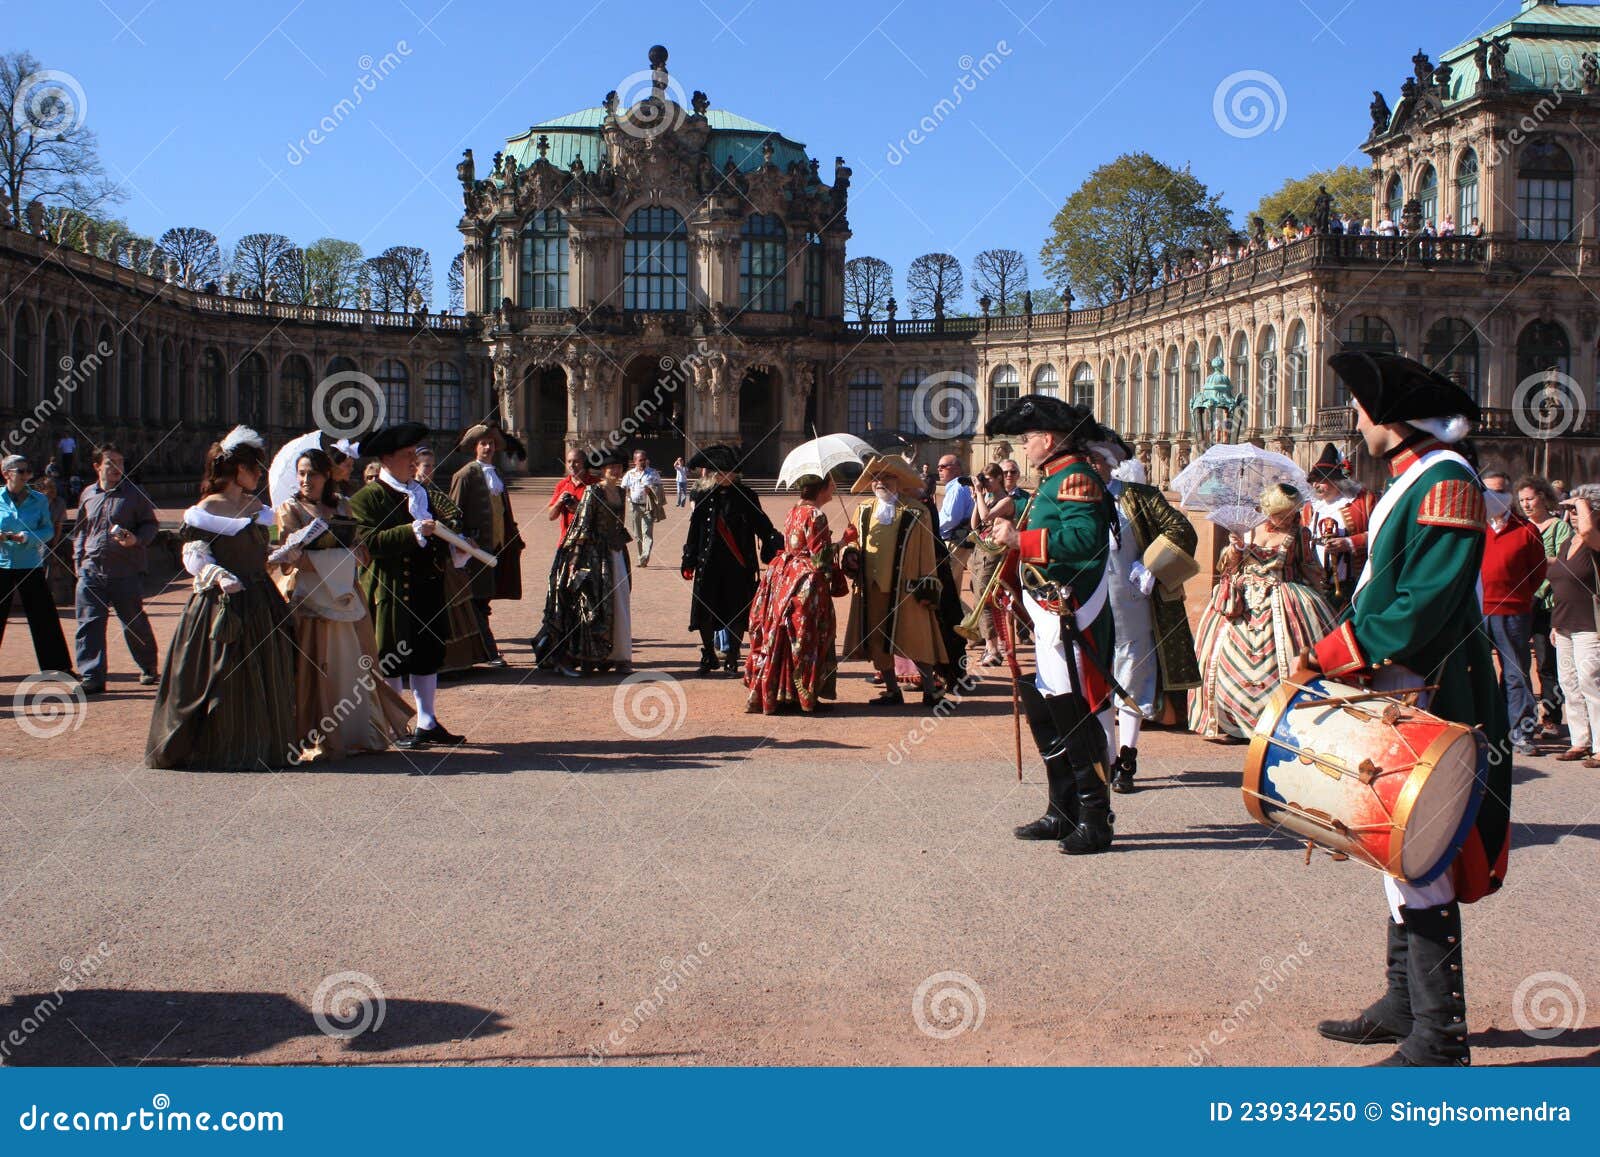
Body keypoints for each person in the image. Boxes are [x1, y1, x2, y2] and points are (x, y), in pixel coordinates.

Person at [1306, 351, 1511, 1068]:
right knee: (1391, 846)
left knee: (1420, 853)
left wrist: (1333, 653)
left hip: (1431, 688)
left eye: (1362, 407)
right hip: (1399, 682)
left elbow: (1424, 602)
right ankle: (1404, 1003)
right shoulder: (1411, 475)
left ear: (1392, 416)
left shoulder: (1446, 478)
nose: (1355, 418)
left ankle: (1441, 1036)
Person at [983, 396, 1116, 855]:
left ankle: (1095, 818)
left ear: (1049, 438)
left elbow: (1085, 539)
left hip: (1071, 612)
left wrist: (1021, 540)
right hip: (1048, 609)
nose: (1024, 446)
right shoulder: (1054, 479)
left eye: (1027, 438)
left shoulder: (1075, 477)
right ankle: (1063, 810)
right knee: (1050, 708)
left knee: (1074, 712)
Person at [146, 428, 297, 770]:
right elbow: (194, 555)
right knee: (220, 673)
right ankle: (217, 746)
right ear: (238, 469)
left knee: (266, 672)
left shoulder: (256, 507)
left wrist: (282, 552)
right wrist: (218, 575)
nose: (259, 475)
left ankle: (261, 745)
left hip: (260, 597)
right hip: (221, 603)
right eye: (255, 468)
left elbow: (261, 552)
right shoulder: (207, 508)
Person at [272, 447, 411, 761]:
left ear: (326, 476)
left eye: (313, 474)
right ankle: (320, 737)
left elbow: (362, 551)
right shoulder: (289, 509)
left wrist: (349, 553)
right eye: (301, 473)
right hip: (309, 598)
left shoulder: (343, 506)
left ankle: (359, 732)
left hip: (347, 596)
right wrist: (336, 556)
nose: (306, 480)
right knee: (316, 666)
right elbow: (288, 558)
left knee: (352, 663)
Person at [1085, 429, 1200, 793]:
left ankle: (1126, 756)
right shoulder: (1074, 501)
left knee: (1133, 675)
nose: (1089, 466)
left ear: (1110, 463)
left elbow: (1181, 530)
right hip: (1089, 604)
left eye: (1095, 460)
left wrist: (1152, 565)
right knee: (1097, 677)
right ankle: (1106, 755)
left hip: (1131, 603)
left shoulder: (1138, 497)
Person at [349, 422, 471, 748]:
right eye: (407, 455)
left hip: (428, 587)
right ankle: (395, 725)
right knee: (392, 657)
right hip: (391, 589)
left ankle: (427, 721)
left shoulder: (423, 493)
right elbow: (368, 542)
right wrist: (412, 531)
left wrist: (456, 546)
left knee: (427, 654)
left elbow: (441, 531)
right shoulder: (366, 499)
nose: (414, 461)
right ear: (386, 458)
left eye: (414, 454)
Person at [1190, 484, 1336, 742]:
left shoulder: (1299, 534)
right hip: (1242, 604)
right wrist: (1235, 548)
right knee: (1223, 657)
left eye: (1291, 513)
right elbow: (1228, 567)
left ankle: (1277, 721)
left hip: (1283, 599)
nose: (1287, 519)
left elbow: (1309, 567)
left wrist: (1322, 596)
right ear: (1269, 511)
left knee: (1285, 657)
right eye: (1281, 514)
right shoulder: (1247, 529)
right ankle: (1233, 722)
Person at [840, 454, 949, 707]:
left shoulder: (917, 511)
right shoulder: (863, 509)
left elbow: (926, 553)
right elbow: (853, 542)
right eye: (876, 478)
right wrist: (850, 554)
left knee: (917, 639)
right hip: (872, 588)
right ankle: (891, 690)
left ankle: (930, 690)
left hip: (907, 587)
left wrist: (927, 584)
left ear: (899, 481)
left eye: (887, 477)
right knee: (877, 641)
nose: (880, 482)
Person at [744, 473, 850, 714]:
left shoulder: (794, 511)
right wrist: (844, 542)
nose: (833, 488)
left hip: (786, 578)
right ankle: (805, 696)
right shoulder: (816, 515)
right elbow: (820, 558)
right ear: (822, 488)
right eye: (831, 484)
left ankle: (785, 693)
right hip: (807, 583)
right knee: (809, 636)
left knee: (786, 634)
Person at [682, 444, 781, 675]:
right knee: (705, 612)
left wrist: (775, 545)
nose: (725, 476)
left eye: (729, 471)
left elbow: (763, 526)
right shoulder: (704, 496)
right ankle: (709, 654)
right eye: (720, 472)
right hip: (708, 563)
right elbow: (695, 531)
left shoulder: (748, 496)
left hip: (739, 564)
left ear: (736, 473)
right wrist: (689, 560)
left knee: (737, 611)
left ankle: (733, 656)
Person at [535, 448, 633, 676]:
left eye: (618, 467)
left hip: (616, 553)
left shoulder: (621, 492)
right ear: (603, 470)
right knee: (592, 604)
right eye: (610, 467)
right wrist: (575, 559)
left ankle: (619, 655)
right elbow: (583, 525)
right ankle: (587, 655)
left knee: (620, 603)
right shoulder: (593, 491)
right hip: (594, 554)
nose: (615, 471)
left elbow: (619, 524)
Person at [72, 444, 159, 693]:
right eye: (110, 462)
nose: (117, 467)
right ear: (97, 466)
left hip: (125, 571)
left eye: (120, 462)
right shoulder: (87, 494)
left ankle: (148, 665)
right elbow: (81, 530)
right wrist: (78, 560)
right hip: (91, 570)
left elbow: (150, 525)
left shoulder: (134, 494)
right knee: (89, 623)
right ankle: (92, 676)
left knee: (133, 622)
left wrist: (137, 540)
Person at [1480, 470, 1547, 756]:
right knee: (1477, 672)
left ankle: (1520, 733)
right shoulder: (1474, 528)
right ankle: (1484, 730)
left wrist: (1519, 598)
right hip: (1477, 612)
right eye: (1488, 491)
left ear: (1509, 496)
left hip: (1512, 612)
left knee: (1515, 674)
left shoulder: (1526, 529)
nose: (1493, 497)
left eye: (1499, 492)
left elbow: (1537, 572)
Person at [449, 423, 523, 669]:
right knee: (477, 601)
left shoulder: (496, 473)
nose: (488, 447)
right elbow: (452, 514)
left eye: (491, 443)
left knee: (484, 599)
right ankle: (488, 652)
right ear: (475, 447)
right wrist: (462, 539)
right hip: (474, 551)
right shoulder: (465, 474)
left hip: (497, 547)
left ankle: (482, 651)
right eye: (483, 443)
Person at [0, 454, 73, 677]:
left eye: (28, 471)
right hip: (2, 564)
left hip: (30, 564)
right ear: (6, 474)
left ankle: (57, 667)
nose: (26, 475)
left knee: (43, 617)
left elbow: (48, 529)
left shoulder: (39, 499)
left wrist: (28, 537)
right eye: (20, 471)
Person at [1548, 486, 1600, 764]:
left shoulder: (1595, 540)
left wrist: (1580, 500)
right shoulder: (1569, 542)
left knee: (1592, 683)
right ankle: (1580, 741)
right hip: (1564, 622)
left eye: (1578, 509)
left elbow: (1589, 531)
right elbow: (1560, 581)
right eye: (1569, 510)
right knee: (1569, 684)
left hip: (1591, 624)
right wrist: (1555, 625)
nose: (1573, 514)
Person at [1520, 475, 1573, 740]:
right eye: (1521, 500)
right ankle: (1521, 720)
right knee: (1517, 661)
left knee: (1546, 663)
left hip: (1547, 604)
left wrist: (1538, 589)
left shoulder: (1559, 527)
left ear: (1542, 497)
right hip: (1521, 602)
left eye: (1529, 499)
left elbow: (1562, 563)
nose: (1526, 505)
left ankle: (1551, 718)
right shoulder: (1520, 527)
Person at [1302, 442, 1377, 612]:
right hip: (1316, 588)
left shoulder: (1363, 502)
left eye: (1321, 479)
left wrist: (1349, 543)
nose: (1315, 485)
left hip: (1353, 585)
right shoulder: (1310, 508)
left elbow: (1382, 534)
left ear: (1337, 480)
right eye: (1314, 480)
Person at [968, 462, 1018, 667]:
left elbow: (987, 517)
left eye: (988, 479)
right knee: (978, 596)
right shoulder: (987, 499)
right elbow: (975, 525)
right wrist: (976, 498)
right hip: (981, 550)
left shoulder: (1006, 501)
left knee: (985, 598)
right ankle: (990, 647)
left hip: (994, 553)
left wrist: (980, 495)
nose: (985, 484)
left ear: (999, 478)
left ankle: (994, 649)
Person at [935, 454, 975, 593]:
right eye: (938, 467)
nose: (939, 470)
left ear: (957, 468)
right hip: (958, 539)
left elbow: (951, 518)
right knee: (953, 585)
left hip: (952, 541)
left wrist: (933, 527)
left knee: (944, 584)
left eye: (943, 466)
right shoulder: (960, 486)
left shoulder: (957, 487)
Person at [621, 449, 664, 567]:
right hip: (634, 507)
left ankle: (644, 557)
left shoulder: (653, 473)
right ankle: (641, 557)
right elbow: (623, 487)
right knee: (637, 534)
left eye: (644, 459)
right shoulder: (629, 474)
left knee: (647, 533)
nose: (643, 462)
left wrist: (652, 490)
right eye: (640, 460)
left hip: (648, 506)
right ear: (635, 461)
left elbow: (660, 488)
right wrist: (627, 496)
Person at [548, 448, 591, 540]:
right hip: (566, 540)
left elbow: (603, 518)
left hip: (589, 542)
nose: (571, 465)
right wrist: (559, 502)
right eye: (569, 461)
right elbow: (551, 517)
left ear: (585, 463)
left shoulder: (596, 484)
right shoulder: (561, 485)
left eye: (576, 462)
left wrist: (579, 508)